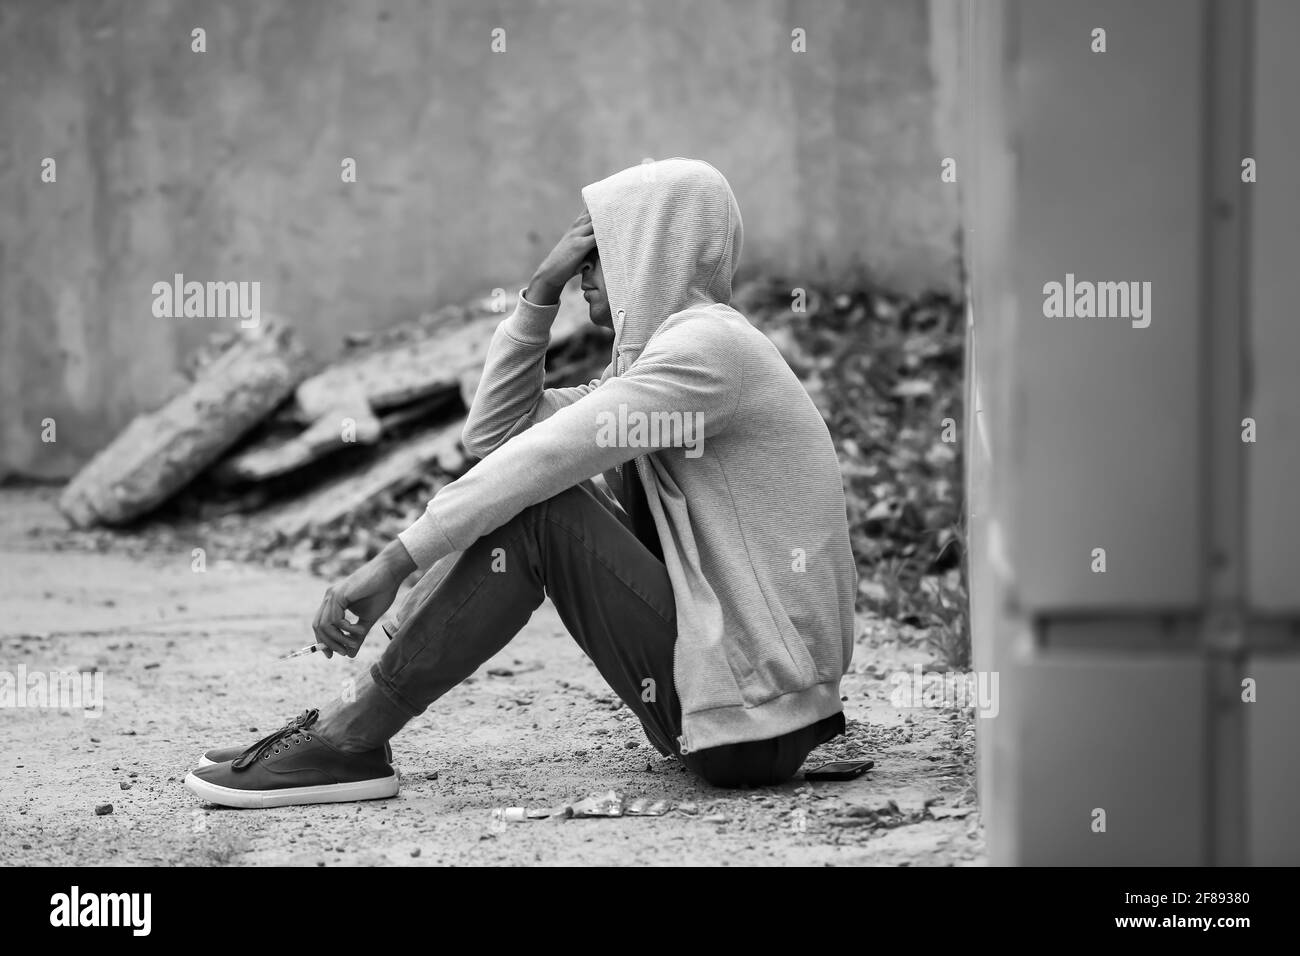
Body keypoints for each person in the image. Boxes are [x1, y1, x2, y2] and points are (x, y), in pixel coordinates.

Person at [184, 158, 857, 808]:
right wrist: (540, 292)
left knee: (540, 509)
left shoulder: (709, 351)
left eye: (601, 252)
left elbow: (535, 465)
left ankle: (349, 738)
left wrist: (395, 560)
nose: (586, 274)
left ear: (652, 252)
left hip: (752, 725)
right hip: (733, 713)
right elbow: (496, 438)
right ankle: (345, 725)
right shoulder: (654, 369)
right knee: (529, 493)